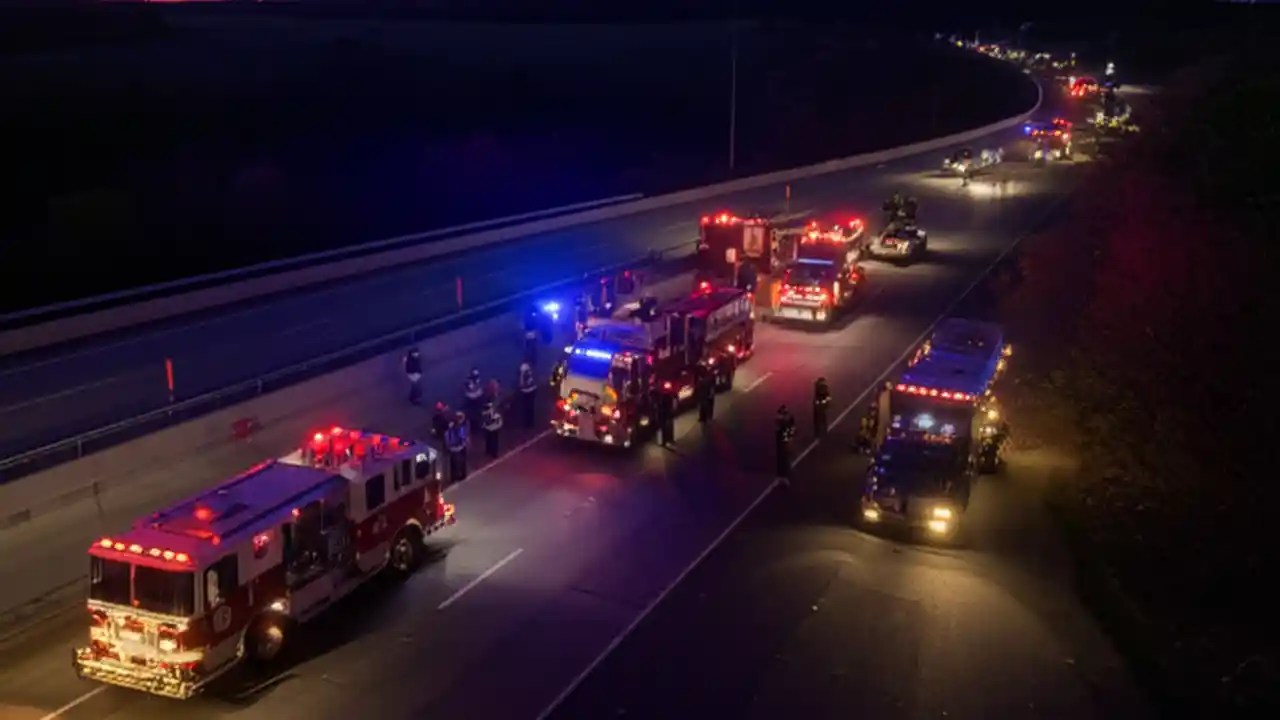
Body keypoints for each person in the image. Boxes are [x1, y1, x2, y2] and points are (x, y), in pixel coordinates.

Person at [775, 405, 797, 482]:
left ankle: (786, 471)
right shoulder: (780, 422)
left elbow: (792, 428)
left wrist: (790, 435)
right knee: (782, 456)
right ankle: (782, 474)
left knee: (786, 454)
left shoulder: (787, 420)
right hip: (783, 441)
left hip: (787, 440)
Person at [445, 412, 469, 482]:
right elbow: (463, 437)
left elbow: (447, 439)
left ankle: (454, 477)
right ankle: (461, 475)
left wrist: (448, 447)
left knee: (454, 464)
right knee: (461, 462)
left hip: (454, 449)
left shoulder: (450, 430)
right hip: (460, 447)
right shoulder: (460, 428)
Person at [518, 361, 537, 428]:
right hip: (531, 389)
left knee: (527, 408)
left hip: (526, 391)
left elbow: (521, 383)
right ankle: (530, 423)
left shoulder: (523, 369)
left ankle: (527, 423)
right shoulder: (530, 367)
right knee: (530, 407)